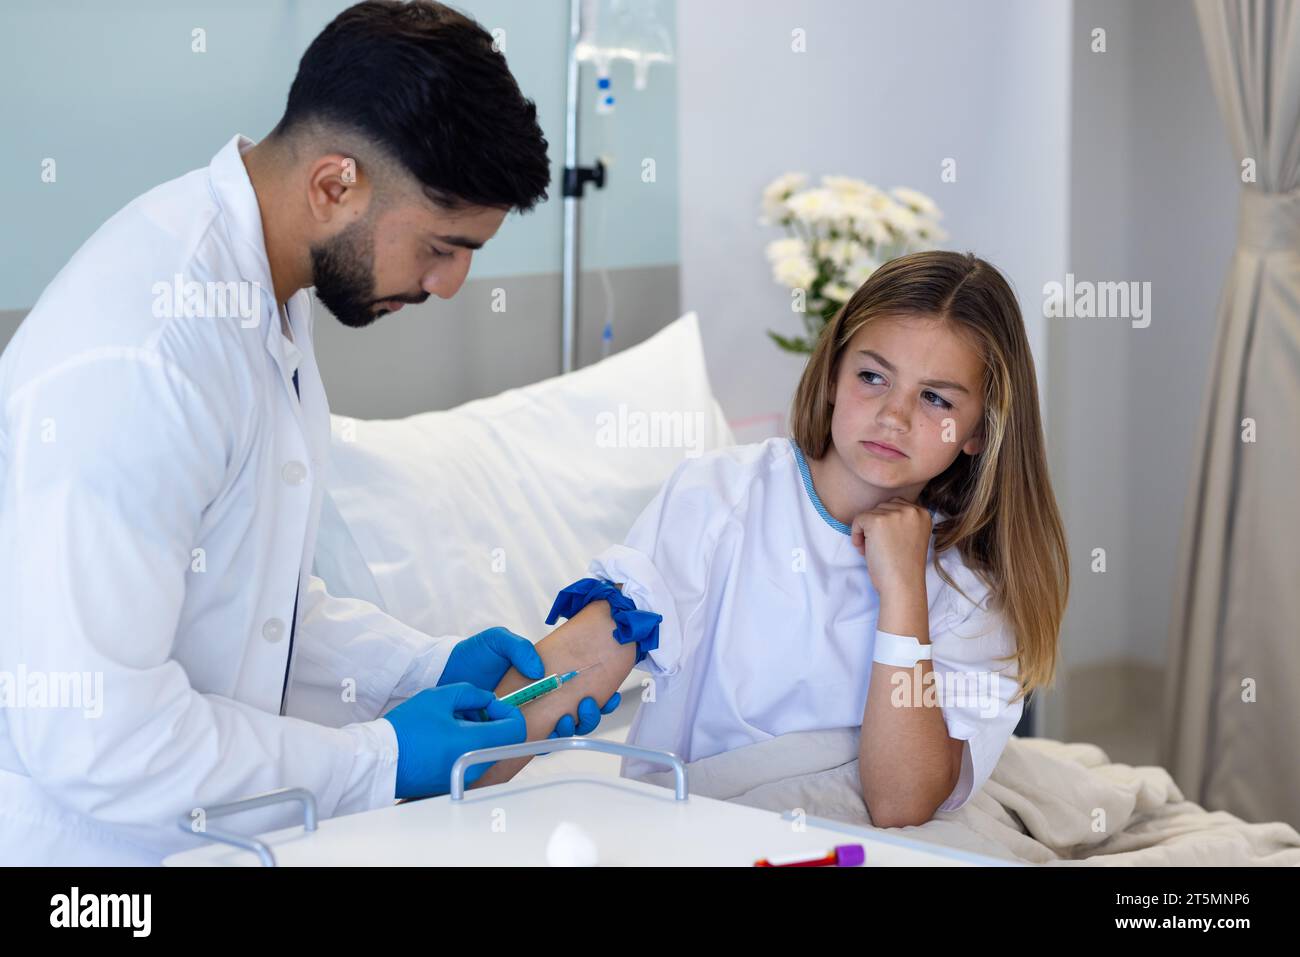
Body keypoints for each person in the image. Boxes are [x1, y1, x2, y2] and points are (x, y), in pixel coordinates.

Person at [0, 0, 618, 866]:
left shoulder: (268, 284)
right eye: (441, 247)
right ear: (335, 185)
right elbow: (97, 735)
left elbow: (242, 590)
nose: (449, 285)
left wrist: (422, 668)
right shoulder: (147, 355)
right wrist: (382, 759)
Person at [477, 251, 1070, 827]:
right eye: (872, 377)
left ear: (978, 429)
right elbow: (583, 659)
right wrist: (447, 776)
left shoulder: (972, 585)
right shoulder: (719, 496)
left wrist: (903, 595)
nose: (894, 415)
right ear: (834, 375)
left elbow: (900, 802)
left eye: (935, 398)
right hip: (697, 827)